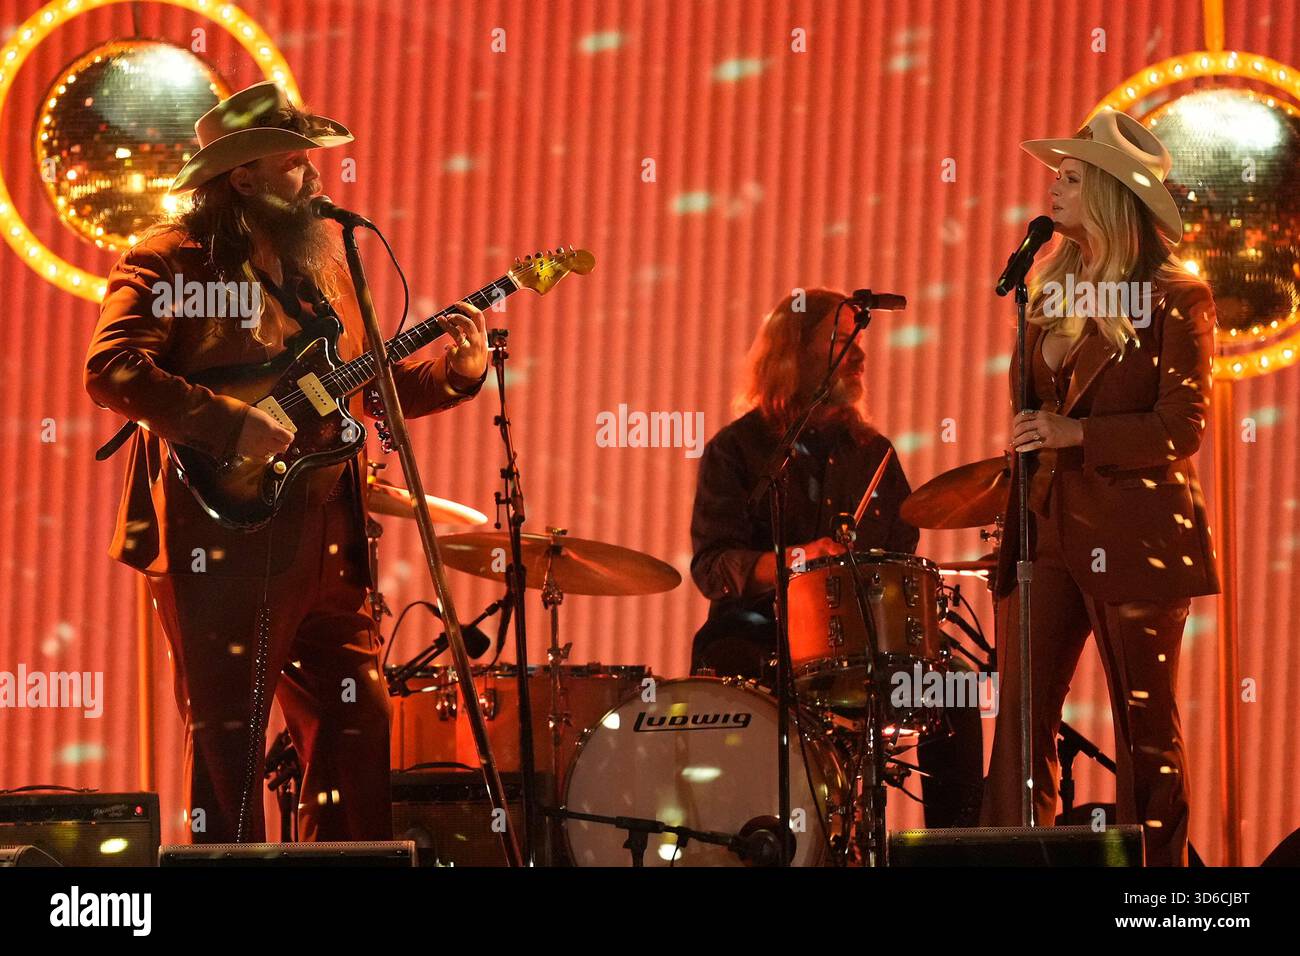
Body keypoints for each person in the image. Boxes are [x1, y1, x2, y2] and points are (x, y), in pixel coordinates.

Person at [84, 82, 489, 843]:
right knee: (228, 741)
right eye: (295, 164)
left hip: (329, 537)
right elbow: (112, 370)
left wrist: (458, 376)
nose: (314, 177)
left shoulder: (317, 269)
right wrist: (229, 427)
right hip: (219, 535)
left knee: (358, 721)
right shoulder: (169, 260)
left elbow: (368, 387)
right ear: (242, 177)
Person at [980, 108, 1219, 866]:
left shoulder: (1178, 295)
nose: (1055, 185)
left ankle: (1156, 886)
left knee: (1144, 728)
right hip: (1047, 528)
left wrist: (1078, 435)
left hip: (1137, 533)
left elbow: (1182, 426)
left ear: (1114, 194)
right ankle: (1011, 858)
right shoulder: (1046, 289)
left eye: (1074, 176)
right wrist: (1012, 528)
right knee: (1021, 727)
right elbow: (1030, 419)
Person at [690, 288, 984, 829]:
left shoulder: (877, 455)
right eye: (841, 338)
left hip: (861, 642)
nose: (859, 354)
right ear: (794, 350)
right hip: (761, 636)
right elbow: (712, 567)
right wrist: (798, 560)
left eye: (860, 339)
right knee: (724, 655)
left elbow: (901, 558)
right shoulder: (736, 450)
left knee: (954, 682)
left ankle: (955, 848)